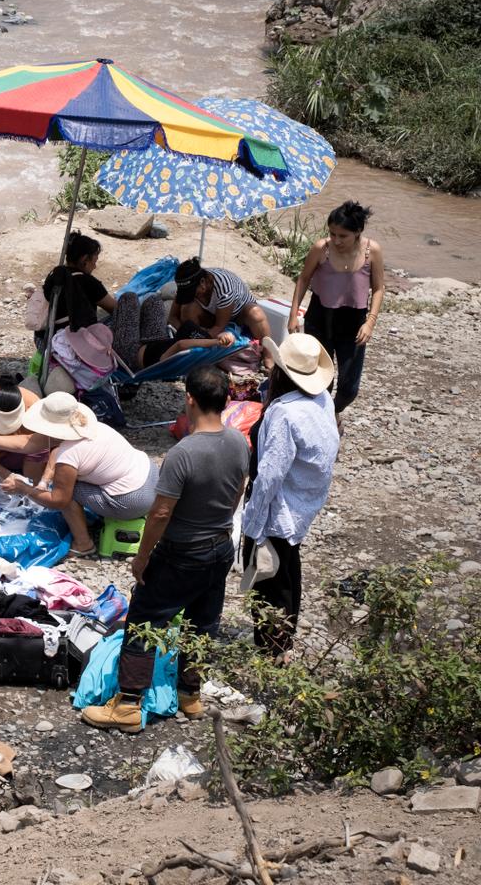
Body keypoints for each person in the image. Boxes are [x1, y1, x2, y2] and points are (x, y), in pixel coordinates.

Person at [80, 365, 250, 731]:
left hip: (183, 551)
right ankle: (191, 696)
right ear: (224, 400)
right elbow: (239, 489)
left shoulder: (182, 453)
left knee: (144, 620)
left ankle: (127, 705)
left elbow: (159, 513)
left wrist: (142, 558)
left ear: (189, 399)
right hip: (221, 547)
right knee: (203, 623)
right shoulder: (238, 442)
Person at [240, 334, 340, 660]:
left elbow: (270, 474)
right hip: (304, 501)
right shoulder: (323, 400)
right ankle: (283, 639)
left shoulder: (283, 413)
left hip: (278, 507)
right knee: (287, 568)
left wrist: (251, 521)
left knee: (269, 578)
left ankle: (277, 646)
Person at [0, 392, 157, 556]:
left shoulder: (69, 454)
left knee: (66, 491)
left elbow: (58, 501)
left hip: (134, 500)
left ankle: (83, 543)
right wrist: (43, 482)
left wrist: (23, 488)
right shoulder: (94, 428)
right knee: (65, 482)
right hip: (151, 477)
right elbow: (56, 453)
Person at [288, 200, 384, 414]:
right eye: (332, 234)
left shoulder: (372, 252)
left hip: (353, 322)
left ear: (357, 232)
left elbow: (378, 288)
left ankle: (331, 413)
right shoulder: (322, 249)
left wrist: (370, 322)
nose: (336, 240)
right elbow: (303, 279)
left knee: (349, 388)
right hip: (320, 317)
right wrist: (293, 315)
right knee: (320, 380)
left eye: (343, 236)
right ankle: (318, 418)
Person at [171, 257, 273, 365]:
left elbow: (219, 327)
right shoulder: (186, 287)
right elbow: (172, 317)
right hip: (212, 315)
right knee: (187, 308)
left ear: (203, 283)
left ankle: (268, 356)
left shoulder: (224, 288)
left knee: (256, 314)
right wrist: (184, 333)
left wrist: (200, 340)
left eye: (193, 293)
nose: (192, 296)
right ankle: (196, 351)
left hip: (239, 314)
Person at [35, 232, 116, 348]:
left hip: (43, 339)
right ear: (85, 259)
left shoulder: (55, 275)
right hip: (71, 342)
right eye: (94, 261)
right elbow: (115, 309)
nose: (95, 266)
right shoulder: (87, 282)